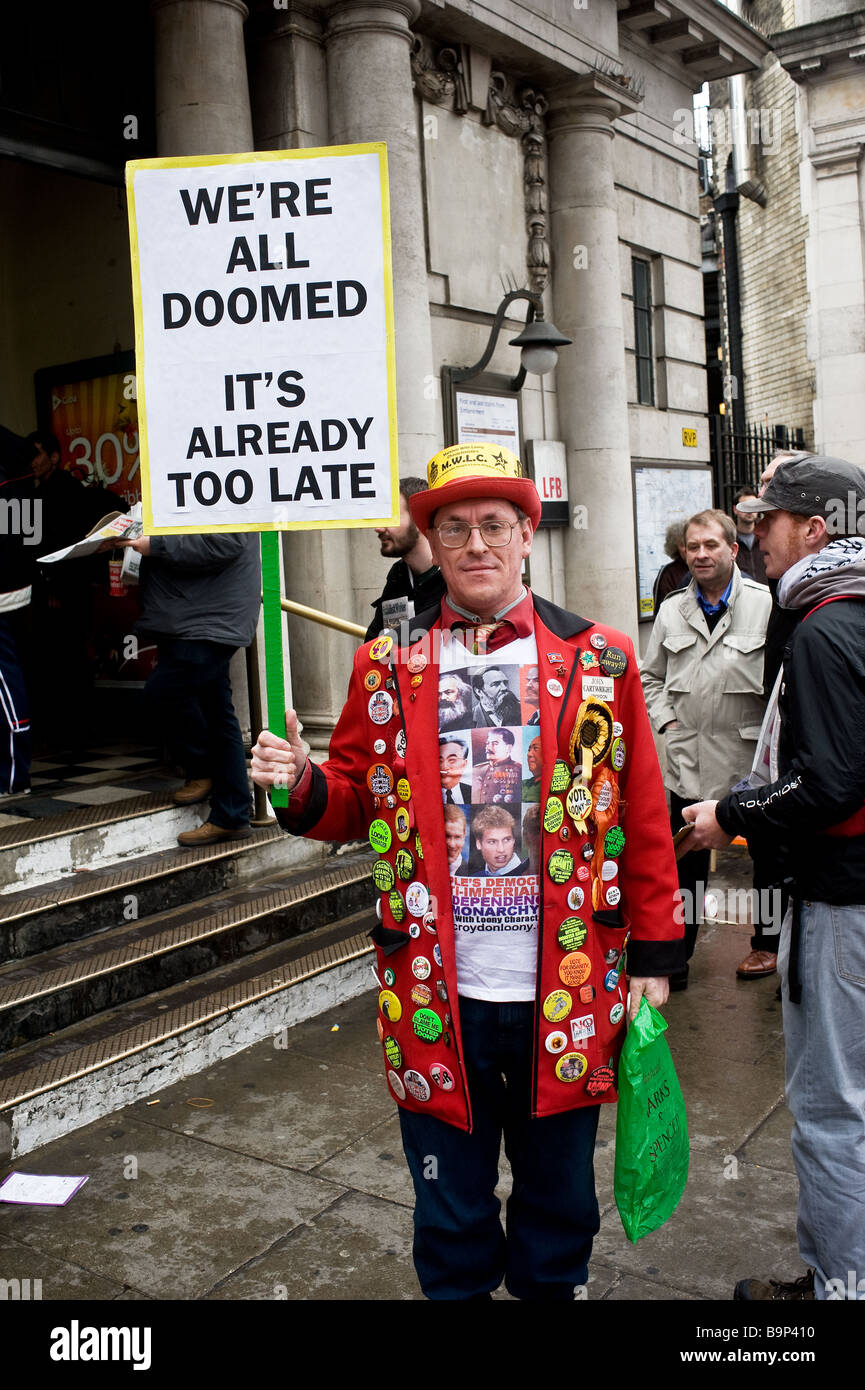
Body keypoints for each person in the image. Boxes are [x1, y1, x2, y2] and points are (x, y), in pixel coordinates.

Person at [252, 440, 683, 1302]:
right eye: (454, 528)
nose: (476, 543)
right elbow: (350, 802)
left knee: (558, 1199)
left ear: (527, 535)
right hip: (431, 983)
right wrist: (297, 783)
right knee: (446, 1201)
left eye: (495, 524)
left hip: (562, 980)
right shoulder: (387, 661)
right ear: (433, 544)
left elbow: (641, 813)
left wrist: (656, 954)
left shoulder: (597, 658)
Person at [682, 453, 865, 1303]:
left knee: (831, 1112)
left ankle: (836, 1288)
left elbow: (828, 783)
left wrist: (733, 814)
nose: (756, 535)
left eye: (767, 520)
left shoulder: (826, 628)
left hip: (842, 900)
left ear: (815, 530)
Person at [640, 508, 771, 987]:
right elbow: (649, 675)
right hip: (687, 763)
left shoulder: (765, 604)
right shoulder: (673, 609)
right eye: (692, 547)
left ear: (732, 550)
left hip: (749, 766)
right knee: (684, 867)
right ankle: (677, 957)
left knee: (768, 862)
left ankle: (767, 947)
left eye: (710, 545)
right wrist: (666, 720)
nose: (700, 554)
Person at [120, 532, 261, 845]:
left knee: (164, 692)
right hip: (197, 614)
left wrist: (156, 545)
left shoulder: (220, 484)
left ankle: (208, 775)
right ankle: (232, 812)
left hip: (209, 618)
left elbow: (227, 542)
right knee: (216, 710)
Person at [365, 476, 446, 639]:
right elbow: (378, 644)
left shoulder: (457, 578)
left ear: (419, 518)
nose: (378, 528)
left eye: (390, 518)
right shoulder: (398, 576)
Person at [472, 805, 529, 877]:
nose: (501, 849)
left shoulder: (528, 872)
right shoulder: (474, 879)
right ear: (478, 844)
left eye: (506, 840)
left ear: (514, 840)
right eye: (492, 842)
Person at [471, 728, 521, 804]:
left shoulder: (519, 770)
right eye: (487, 743)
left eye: (495, 743)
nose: (488, 747)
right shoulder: (476, 769)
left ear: (508, 748)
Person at [651, 520, 689, 613]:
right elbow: (663, 612)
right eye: (683, 544)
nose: (688, 548)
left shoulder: (706, 568)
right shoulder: (668, 573)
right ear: (675, 547)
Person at [733, 487, 768, 585]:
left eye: (753, 506)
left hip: (769, 594)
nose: (750, 510)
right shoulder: (729, 539)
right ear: (735, 509)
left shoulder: (768, 534)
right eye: (745, 506)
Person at [439, 736, 472, 805]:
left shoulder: (472, 792)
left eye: (452, 760)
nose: (444, 766)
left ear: (464, 764)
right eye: (440, 761)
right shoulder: (428, 793)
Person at [444, 802, 468, 875]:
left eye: (457, 837)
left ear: (464, 836)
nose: (452, 844)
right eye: (447, 836)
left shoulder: (470, 871)